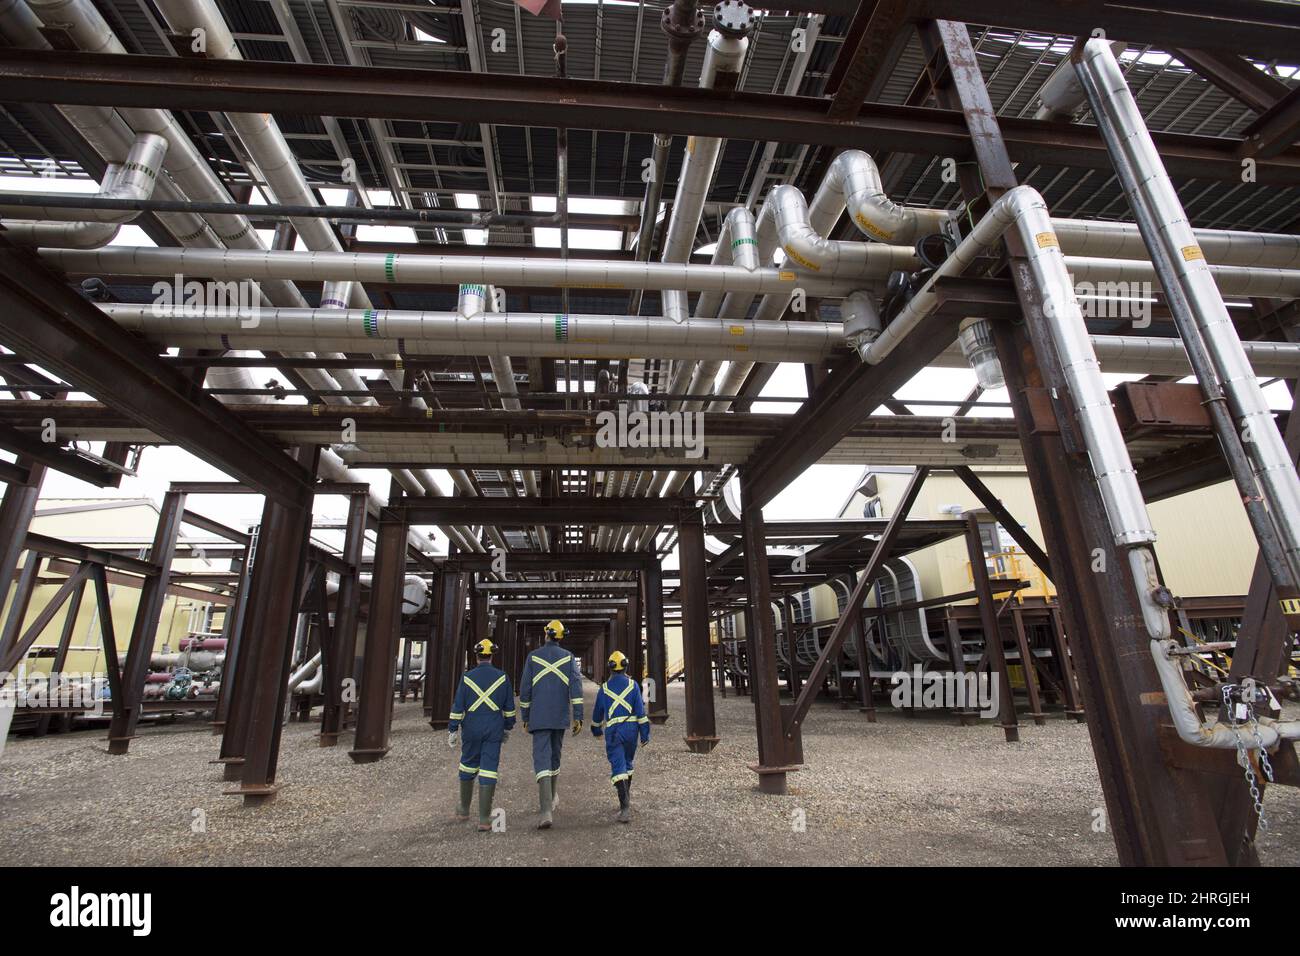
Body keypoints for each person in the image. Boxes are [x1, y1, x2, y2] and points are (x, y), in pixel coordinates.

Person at [518, 619, 583, 829]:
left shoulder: (533, 657)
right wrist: (578, 717)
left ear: (546, 635)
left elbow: (525, 689)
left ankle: (546, 809)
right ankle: (552, 797)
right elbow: (576, 688)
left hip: (539, 717)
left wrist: (525, 716)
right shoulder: (568, 657)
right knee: (555, 756)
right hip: (559, 717)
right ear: (561, 637)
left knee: (541, 758)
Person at [447, 639, 516, 832]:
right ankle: (485, 818)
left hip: (471, 728)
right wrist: (507, 727)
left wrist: (453, 728)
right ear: (492, 656)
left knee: (467, 765)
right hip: (494, 728)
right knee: (489, 769)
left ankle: (463, 810)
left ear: (476, 656)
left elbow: (458, 707)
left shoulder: (467, 678)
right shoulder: (502, 678)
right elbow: (509, 709)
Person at [590, 650, 650, 824]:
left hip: (614, 731)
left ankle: (624, 807)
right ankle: (626, 799)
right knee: (628, 763)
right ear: (625, 666)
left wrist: (596, 731)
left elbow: (597, 715)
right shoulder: (633, 686)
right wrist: (644, 734)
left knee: (618, 765)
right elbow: (641, 712)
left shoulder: (604, 689)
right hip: (632, 730)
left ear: (610, 668)